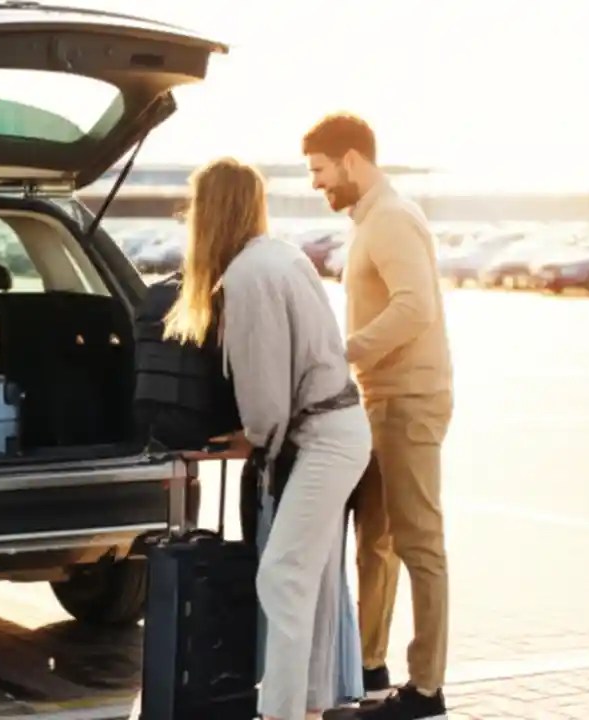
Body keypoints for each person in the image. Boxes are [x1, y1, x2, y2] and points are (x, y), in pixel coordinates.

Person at [165, 157, 372, 720]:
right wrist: (260, 435)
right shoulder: (278, 255)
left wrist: (249, 437)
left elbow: (267, 397)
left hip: (323, 437)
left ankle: (279, 713)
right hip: (338, 429)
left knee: (282, 574)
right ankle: (307, 705)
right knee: (313, 578)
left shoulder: (248, 276)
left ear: (208, 213)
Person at [302, 113, 454, 720]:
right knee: (376, 540)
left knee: (419, 543)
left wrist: (344, 353)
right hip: (380, 399)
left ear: (351, 160)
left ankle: (425, 690)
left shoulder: (391, 219)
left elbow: (415, 308)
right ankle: (370, 671)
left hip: (408, 400)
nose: (317, 184)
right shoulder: (374, 220)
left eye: (320, 170)